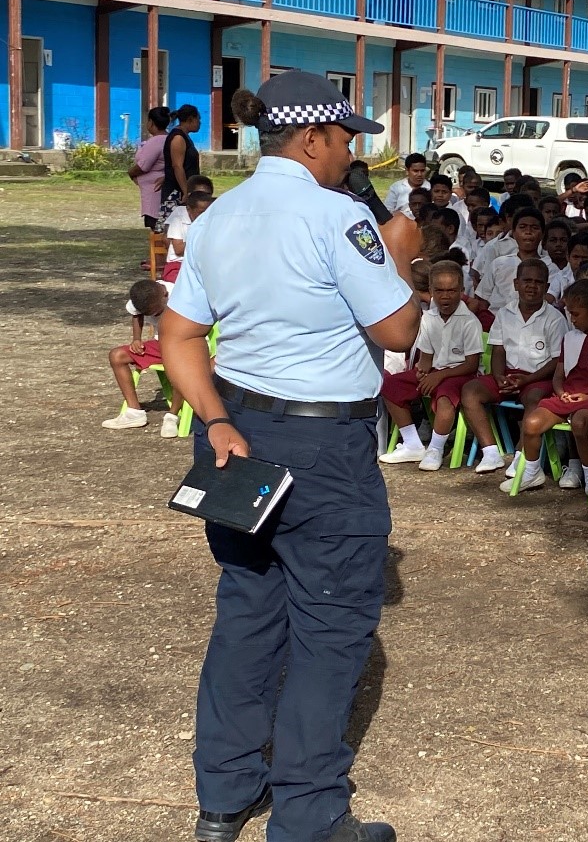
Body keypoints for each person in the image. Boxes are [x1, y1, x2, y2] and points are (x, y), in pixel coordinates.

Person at [160, 71, 420, 842]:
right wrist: (400, 255)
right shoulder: (337, 217)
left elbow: (179, 336)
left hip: (238, 433)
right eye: (345, 138)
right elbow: (399, 333)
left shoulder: (215, 217)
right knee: (331, 629)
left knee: (246, 610)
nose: (349, 153)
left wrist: (212, 420)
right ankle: (309, 814)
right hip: (325, 445)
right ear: (312, 138)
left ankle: (225, 794)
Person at [502, 278, 588, 494]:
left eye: (576, 314)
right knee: (532, 422)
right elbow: (559, 375)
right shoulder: (569, 338)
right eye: (569, 313)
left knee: (580, 422)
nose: (571, 319)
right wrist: (561, 392)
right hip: (567, 396)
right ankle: (533, 471)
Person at [461, 258, 566, 474]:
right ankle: (490, 452)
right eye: (527, 280)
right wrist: (499, 376)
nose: (532, 286)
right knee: (470, 390)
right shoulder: (504, 313)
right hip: (508, 374)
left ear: (546, 287)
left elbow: (557, 360)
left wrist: (528, 379)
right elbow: (498, 349)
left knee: (534, 398)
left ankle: (522, 456)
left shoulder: (555, 318)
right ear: (516, 283)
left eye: (538, 282)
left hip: (538, 378)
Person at [378, 260, 483, 470]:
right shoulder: (429, 318)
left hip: (460, 375)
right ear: (431, 290)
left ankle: (435, 449)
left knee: (444, 396)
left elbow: (472, 365)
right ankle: (412, 443)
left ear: (462, 291)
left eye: (452, 291)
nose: (445, 296)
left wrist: (439, 376)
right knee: (389, 385)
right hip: (436, 371)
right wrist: (422, 371)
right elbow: (426, 356)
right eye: (440, 290)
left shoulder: (470, 321)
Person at [101, 279, 186, 436]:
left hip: (183, 345)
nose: (152, 316)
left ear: (165, 295)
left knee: (179, 368)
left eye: (154, 313)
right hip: (160, 344)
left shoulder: (181, 295)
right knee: (116, 355)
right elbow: (136, 314)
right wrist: (137, 339)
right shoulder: (143, 296)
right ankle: (134, 412)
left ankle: (172, 416)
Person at [130, 105, 171, 235]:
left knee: (158, 229)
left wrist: (130, 173)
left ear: (151, 122)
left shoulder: (156, 141)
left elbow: (143, 166)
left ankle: (158, 256)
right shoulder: (169, 139)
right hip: (159, 189)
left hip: (154, 192)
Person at [160, 104, 202, 215]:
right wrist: (185, 191)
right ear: (190, 119)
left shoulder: (185, 136)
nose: (200, 123)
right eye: (198, 119)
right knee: (172, 226)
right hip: (177, 191)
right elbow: (177, 166)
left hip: (186, 188)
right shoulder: (178, 138)